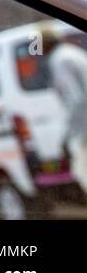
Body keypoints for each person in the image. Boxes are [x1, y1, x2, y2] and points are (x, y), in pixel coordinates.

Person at [48, 34, 87, 194]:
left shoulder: (59, 60)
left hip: (84, 128)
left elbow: (75, 100)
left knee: (82, 170)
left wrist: (67, 136)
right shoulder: (73, 52)